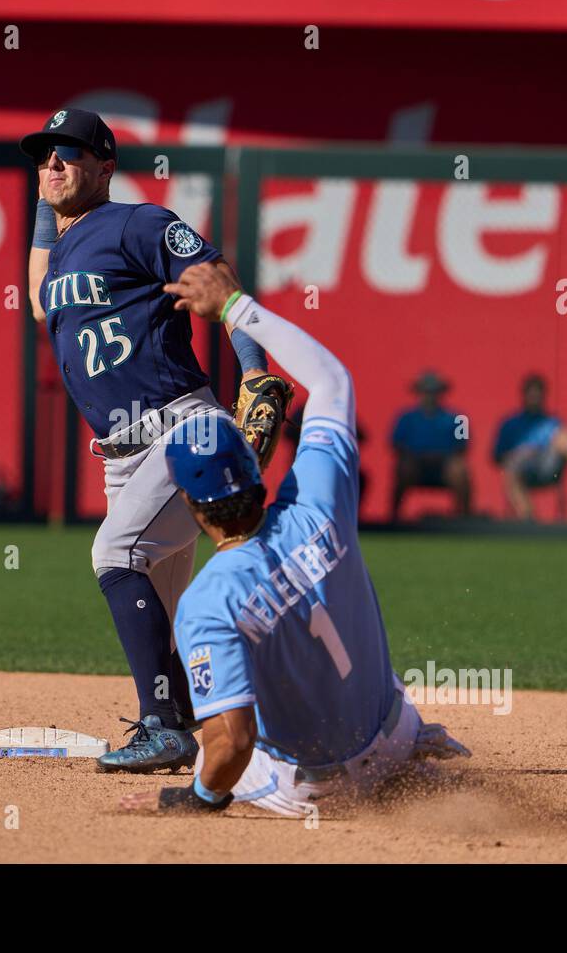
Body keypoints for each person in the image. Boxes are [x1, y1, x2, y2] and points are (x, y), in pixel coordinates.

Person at [120, 263, 469, 818]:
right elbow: (332, 380)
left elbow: (233, 745)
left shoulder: (209, 601)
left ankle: (359, 776)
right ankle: (413, 751)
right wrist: (237, 307)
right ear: (257, 470)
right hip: (392, 736)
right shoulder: (319, 503)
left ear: (188, 502)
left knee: (211, 743)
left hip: (316, 790)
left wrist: (192, 797)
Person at [20, 108, 293, 772]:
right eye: (45, 155)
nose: (54, 164)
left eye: (71, 154)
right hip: (121, 456)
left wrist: (254, 369)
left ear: (105, 166)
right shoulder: (58, 262)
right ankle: (227, 727)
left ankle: (161, 727)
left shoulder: (139, 223)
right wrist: (45, 202)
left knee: (116, 554)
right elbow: (36, 301)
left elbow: (218, 281)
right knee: (159, 616)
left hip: (182, 428)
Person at [492, 374, 567, 520]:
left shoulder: (551, 422)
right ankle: (528, 518)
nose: (535, 399)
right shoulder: (510, 424)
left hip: (548, 467)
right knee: (512, 469)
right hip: (520, 468)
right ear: (524, 395)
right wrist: (521, 453)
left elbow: (559, 443)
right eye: (532, 395)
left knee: (560, 436)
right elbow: (496, 456)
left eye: (538, 395)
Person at [389, 370, 471, 520]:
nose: (430, 396)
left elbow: (463, 446)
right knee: (404, 466)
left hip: (445, 465)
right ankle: (395, 517)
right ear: (419, 393)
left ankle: (464, 516)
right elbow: (396, 444)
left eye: (434, 391)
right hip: (416, 464)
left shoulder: (459, 418)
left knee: (459, 468)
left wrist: (441, 457)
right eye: (426, 391)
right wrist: (418, 456)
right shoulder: (405, 417)